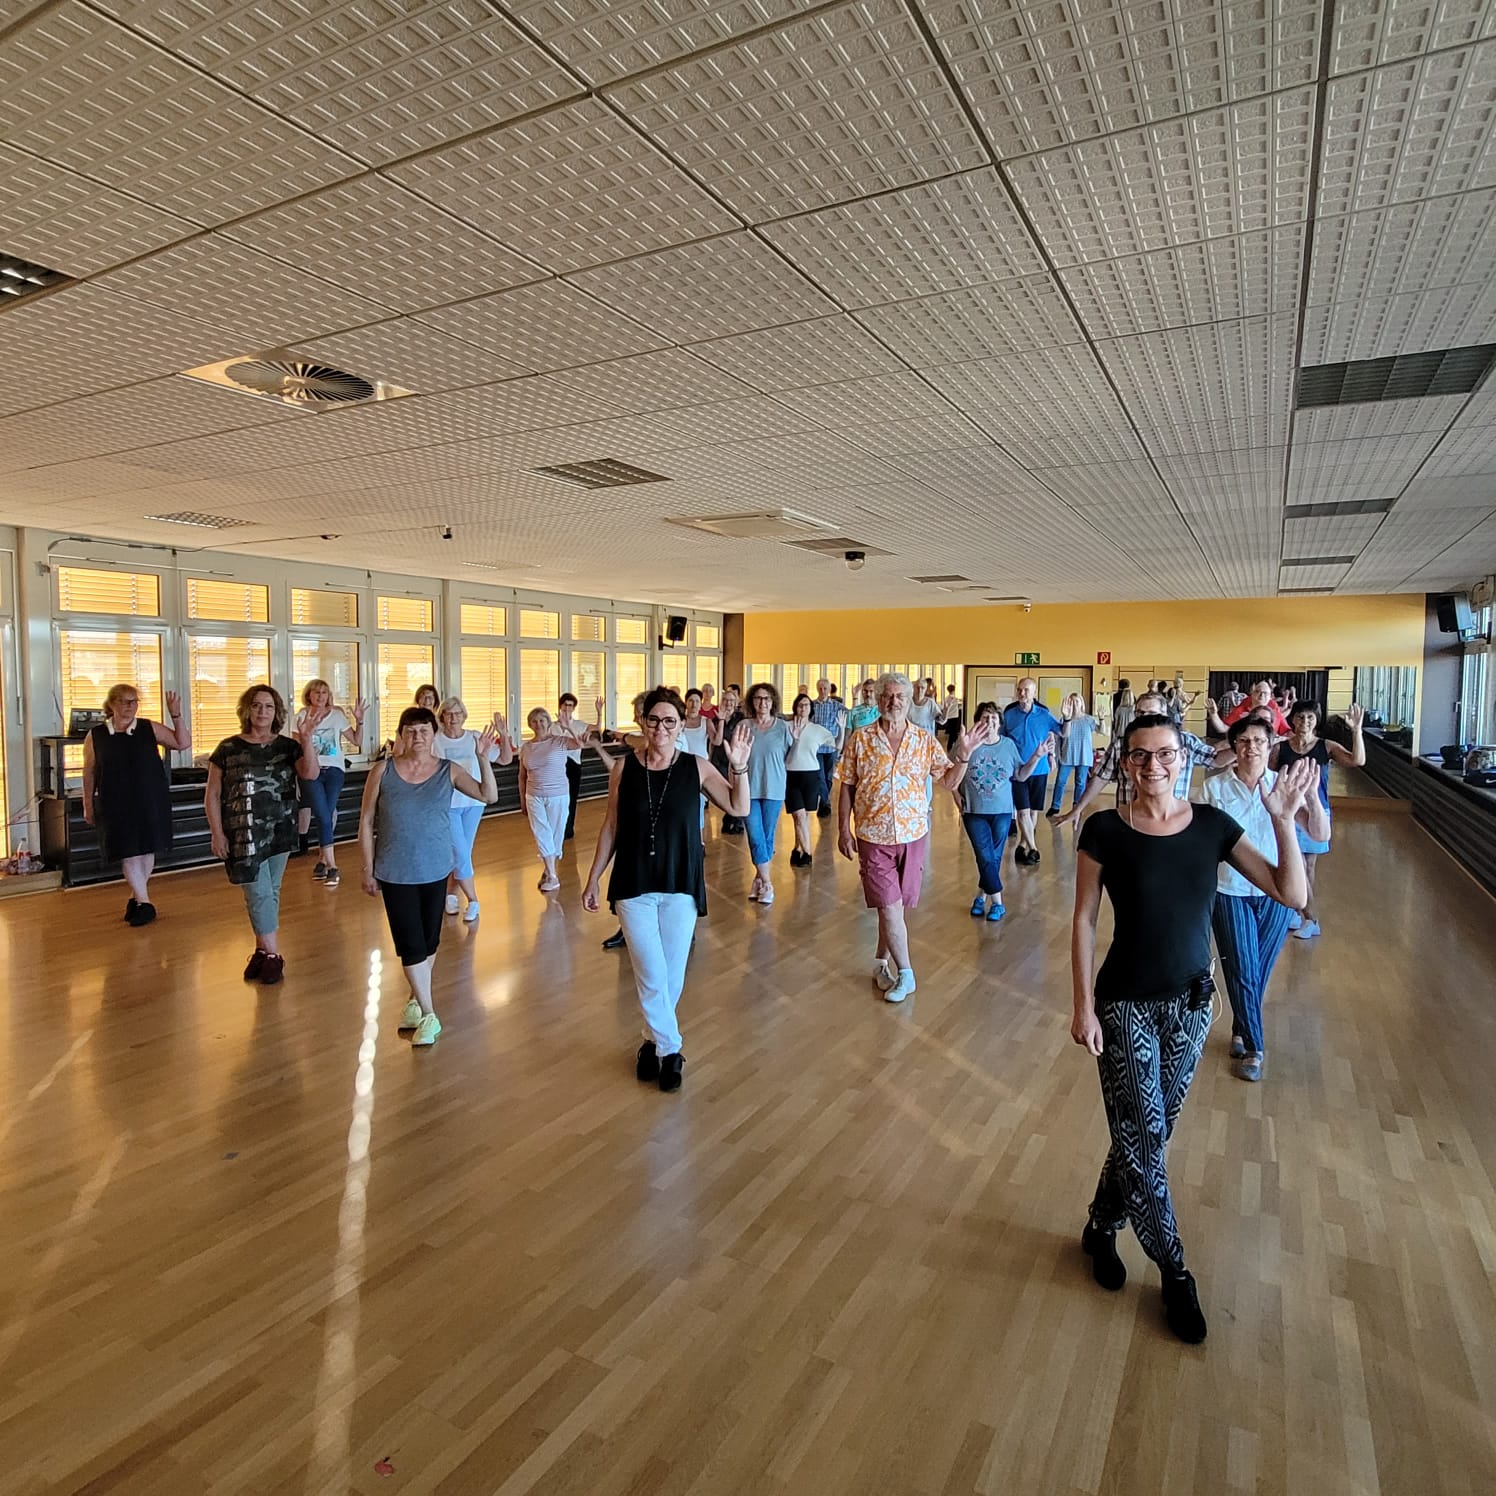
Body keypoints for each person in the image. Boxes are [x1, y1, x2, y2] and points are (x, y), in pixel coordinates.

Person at [1071, 713, 1314, 1344]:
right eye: (1140, 756)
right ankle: (1174, 1270)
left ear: (1185, 759)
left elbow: (1292, 894)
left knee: (1144, 1131)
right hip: (1124, 1004)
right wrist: (1081, 1006)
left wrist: (1285, 821)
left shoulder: (1211, 825)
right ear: (1125, 764)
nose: (1153, 765)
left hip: (1191, 1004)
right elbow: (1083, 922)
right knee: (1147, 1140)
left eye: (1165, 754)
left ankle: (1101, 1225)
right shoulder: (1103, 830)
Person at [583, 690, 752, 1092]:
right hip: (633, 882)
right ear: (642, 722)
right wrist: (593, 876)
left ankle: (650, 1042)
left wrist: (740, 769)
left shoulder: (695, 766)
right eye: (654, 720)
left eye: (670, 722)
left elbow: (738, 807)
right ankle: (671, 1049)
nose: (661, 728)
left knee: (671, 974)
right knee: (650, 969)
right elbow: (611, 827)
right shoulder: (623, 768)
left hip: (680, 881)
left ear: (680, 726)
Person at [836, 672, 993, 1003]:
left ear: (910, 701)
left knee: (893, 907)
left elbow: (949, 782)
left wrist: (963, 755)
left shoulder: (923, 740)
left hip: (913, 834)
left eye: (900, 697)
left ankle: (881, 962)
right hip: (872, 835)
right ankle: (907, 973)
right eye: (887, 696)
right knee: (890, 906)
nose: (894, 702)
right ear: (877, 700)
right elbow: (847, 785)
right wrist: (842, 829)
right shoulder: (861, 740)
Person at [360, 707, 498, 1047]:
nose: (417, 737)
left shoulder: (448, 771)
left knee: (429, 940)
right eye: (411, 731)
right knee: (409, 943)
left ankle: (413, 999)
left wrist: (482, 757)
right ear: (401, 735)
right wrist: (367, 868)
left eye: (424, 731)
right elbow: (365, 821)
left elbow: (488, 795)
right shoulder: (383, 770)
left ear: (433, 735)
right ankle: (429, 1012)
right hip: (395, 870)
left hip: (435, 868)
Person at [1202, 716, 1329, 1081]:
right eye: (1243, 741)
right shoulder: (1214, 790)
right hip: (1229, 891)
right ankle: (1255, 1047)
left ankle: (1242, 1029)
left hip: (1277, 892)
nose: (1251, 747)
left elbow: (1319, 833)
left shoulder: (1284, 786)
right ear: (1234, 747)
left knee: (1258, 970)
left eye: (1259, 740)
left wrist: (1311, 797)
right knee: (1242, 967)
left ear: (1270, 744)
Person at [206, 685, 318, 985]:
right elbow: (213, 794)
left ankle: (260, 951)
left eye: (268, 707)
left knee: (271, 891)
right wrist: (217, 833)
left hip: (280, 829)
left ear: (276, 712)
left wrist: (306, 739)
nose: (262, 712)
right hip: (243, 833)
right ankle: (273, 956)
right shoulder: (228, 748)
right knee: (257, 891)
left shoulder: (287, 746)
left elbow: (310, 774)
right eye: (257, 706)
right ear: (247, 709)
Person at [82, 682, 190, 925]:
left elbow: (182, 743)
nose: (129, 706)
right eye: (123, 701)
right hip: (114, 801)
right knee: (128, 851)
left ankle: (137, 899)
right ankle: (145, 902)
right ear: (112, 704)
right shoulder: (96, 735)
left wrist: (176, 715)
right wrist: (87, 803)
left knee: (145, 848)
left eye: (133, 701)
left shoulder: (147, 727)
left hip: (150, 797)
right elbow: (89, 771)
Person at [1056, 690, 1228, 829]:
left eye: (1151, 713)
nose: (1145, 717)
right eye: (1140, 713)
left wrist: (1245, 745)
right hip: (1130, 823)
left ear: (1164, 713)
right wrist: (1078, 809)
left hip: (1172, 825)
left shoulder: (1184, 741)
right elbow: (1101, 778)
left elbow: (1216, 760)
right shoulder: (1121, 744)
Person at [1272, 701, 1366, 939]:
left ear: (1316, 721)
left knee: (1308, 866)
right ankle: (1306, 914)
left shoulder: (1326, 747)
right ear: (1293, 720)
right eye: (1301, 718)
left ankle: (1303, 911)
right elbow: (1269, 778)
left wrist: (1356, 731)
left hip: (1316, 811)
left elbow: (1357, 760)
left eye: (1310, 718)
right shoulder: (1280, 749)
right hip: (1290, 813)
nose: (1305, 723)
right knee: (1297, 865)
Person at [955, 702, 1047, 921]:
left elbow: (1021, 776)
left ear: (1000, 722)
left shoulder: (1008, 745)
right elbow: (952, 773)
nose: (990, 722)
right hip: (974, 811)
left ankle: (980, 897)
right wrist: (955, 795)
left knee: (992, 859)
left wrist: (1037, 756)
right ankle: (998, 902)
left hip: (1003, 812)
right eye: (985, 718)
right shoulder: (967, 743)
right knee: (984, 854)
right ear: (978, 721)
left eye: (994, 718)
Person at [433, 696, 511, 919]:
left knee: (462, 852)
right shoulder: (435, 740)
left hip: (473, 803)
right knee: (459, 851)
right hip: (447, 805)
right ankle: (474, 900)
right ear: (442, 717)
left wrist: (503, 734)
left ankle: (450, 895)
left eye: (458, 714)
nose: (453, 718)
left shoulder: (476, 737)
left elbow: (505, 759)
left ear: (464, 716)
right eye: (449, 714)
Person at [293, 679, 365, 888]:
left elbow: (357, 741)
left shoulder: (337, 716)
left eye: (324, 692)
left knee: (327, 813)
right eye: (316, 692)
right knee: (324, 815)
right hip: (312, 771)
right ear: (309, 695)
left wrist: (359, 721)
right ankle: (332, 866)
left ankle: (323, 861)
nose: (320, 696)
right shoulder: (300, 716)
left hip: (334, 771)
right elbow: (296, 746)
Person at [742, 682, 793, 905]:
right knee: (755, 835)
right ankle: (768, 883)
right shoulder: (744, 726)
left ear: (773, 702)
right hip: (747, 788)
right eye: (758, 698)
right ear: (752, 702)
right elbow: (736, 757)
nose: (762, 703)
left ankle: (759, 881)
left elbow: (792, 757)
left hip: (774, 788)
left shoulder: (783, 727)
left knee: (767, 836)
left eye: (767, 699)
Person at [1002, 678, 1062, 864]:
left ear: (1033, 692)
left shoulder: (1044, 714)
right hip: (1018, 771)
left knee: (1033, 812)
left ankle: (1023, 845)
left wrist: (1052, 755)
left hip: (1040, 769)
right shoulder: (1009, 714)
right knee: (1022, 812)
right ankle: (1034, 849)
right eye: (1020, 690)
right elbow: (1003, 738)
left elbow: (1057, 732)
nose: (1022, 693)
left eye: (1026, 690)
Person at [520, 707, 579, 892]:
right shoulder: (526, 747)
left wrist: (568, 727)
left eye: (542, 720)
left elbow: (579, 744)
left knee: (555, 835)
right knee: (541, 832)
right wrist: (522, 799)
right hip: (534, 795)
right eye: (534, 721)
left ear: (548, 722)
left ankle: (548, 870)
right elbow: (522, 775)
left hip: (558, 796)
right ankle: (553, 877)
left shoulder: (559, 741)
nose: (538, 724)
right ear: (530, 724)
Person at [785, 693, 836, 867]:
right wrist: (795, 739)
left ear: (810, 708)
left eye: (806, 705)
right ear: (795, 707)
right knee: (798, 816)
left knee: (805, 816)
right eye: (800, 705)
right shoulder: (787, 726)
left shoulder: (817, 729)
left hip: (811, 774)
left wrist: (843, 730)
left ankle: (797, 848)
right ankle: (808, 854)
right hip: (791, 774)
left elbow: (836, 743)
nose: (803, 708)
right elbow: (783, 750)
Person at [553, 692, 599, 841]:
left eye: (570, 705)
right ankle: (557, 828)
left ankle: (569, 829)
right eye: (565, 705)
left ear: (574, 708)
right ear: (561, 706)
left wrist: (599, 713)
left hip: (573, 766)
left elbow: (597, 727)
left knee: (571, 798)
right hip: (557, 766)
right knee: (557, 798)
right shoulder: (552, 726)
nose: (567, 708)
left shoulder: (579, 725)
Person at [1048, 693, 1098, 818]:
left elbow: (1101, 730)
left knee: (1080, 782)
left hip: (1083, 755)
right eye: (1072, 701)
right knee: (1060, 781)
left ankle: (1077, 806)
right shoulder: (1064, 719)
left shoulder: (1089, 720)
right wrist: (1055, 754)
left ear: (1081, 703)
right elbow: (1059, 737)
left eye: (1077, 701)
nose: (1075, 704)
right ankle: (1055, 806)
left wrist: (1102, 719)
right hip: (1067, 754)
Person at [708, 685, 746, 836]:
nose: (728, 703)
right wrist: (722, 720)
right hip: (720, 759)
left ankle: (735, 820)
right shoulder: (714, 720)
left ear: (736, 703)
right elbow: (715, 741)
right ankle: (730, 817)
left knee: (736, 789)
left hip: (736, 760)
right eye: (725, 700)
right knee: (725, 790)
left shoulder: (742, 719)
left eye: (732, 701)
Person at [808, 678, 846, 818]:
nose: (823, 691)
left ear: (829, 690)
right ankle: (826, 802)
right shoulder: (812, 705)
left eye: (825, 688)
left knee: (829, 777)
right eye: (820, 688)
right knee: (820, 777)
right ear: (817, 689)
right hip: (816, 748)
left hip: (832, 747)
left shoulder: (837, 706)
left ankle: (824, 801)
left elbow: (851, 714)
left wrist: (855, 697)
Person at [1208, 680, 1290, 737]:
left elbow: (1287, 733)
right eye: (1258, 692)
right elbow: (1222, 728)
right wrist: (1214, 714)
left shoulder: (1274, 710)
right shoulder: (1241, 710)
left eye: (1265, 693)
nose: (1261, 695)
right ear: (1252, 694)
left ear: (1270, 697)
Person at [939, 683, 963, 754]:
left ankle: (952, 747)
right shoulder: (952, 698)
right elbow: (955, 706)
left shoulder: (947, 698)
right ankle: (950, 747)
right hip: (953, 717)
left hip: (950, 717)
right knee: (953, 733)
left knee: (953, 733)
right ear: (953, 690)